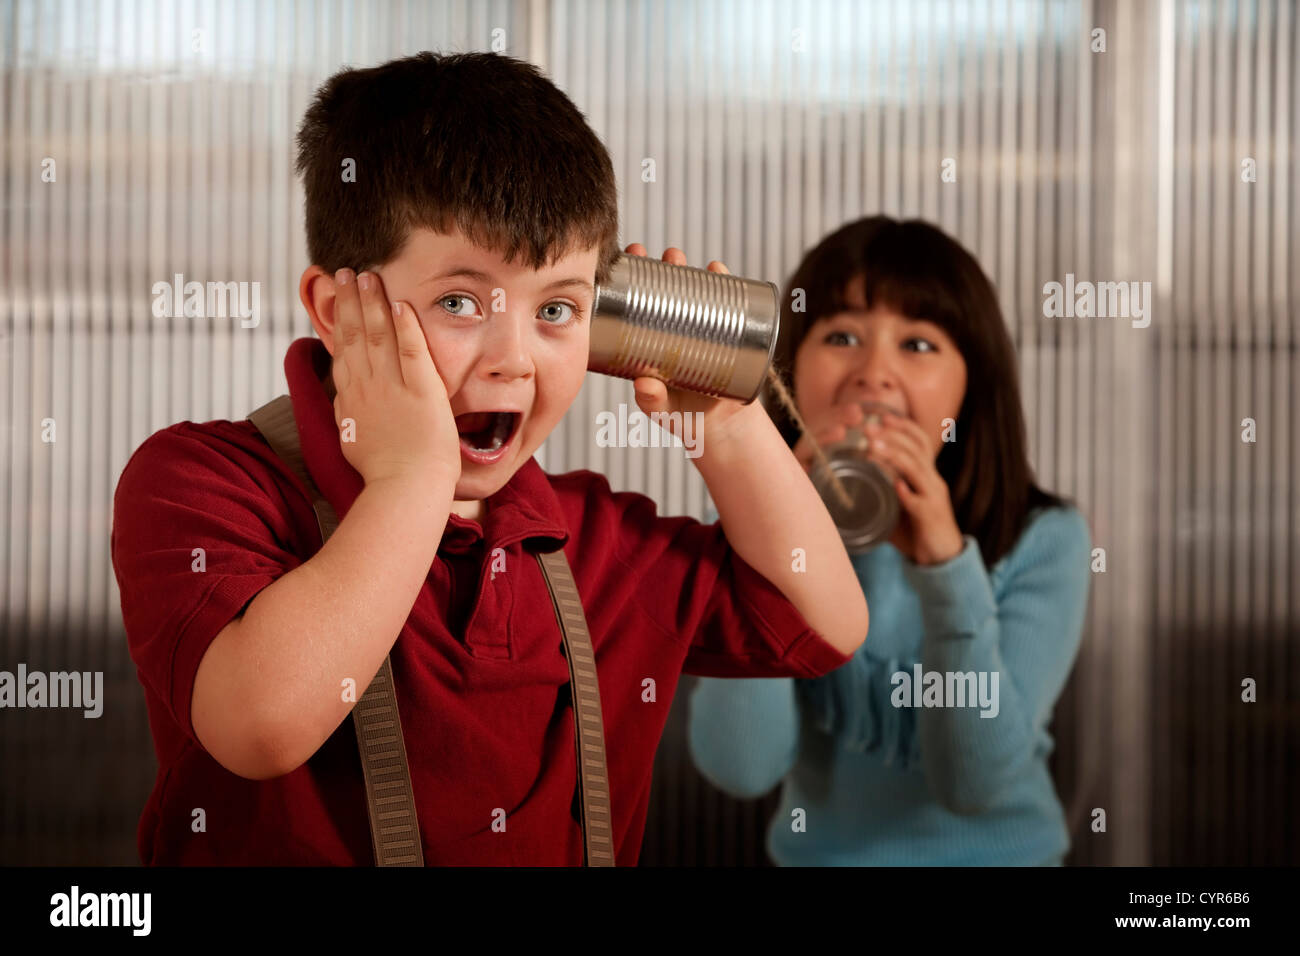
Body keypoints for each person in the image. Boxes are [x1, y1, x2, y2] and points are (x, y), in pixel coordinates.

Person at [110, 52, 867, 865]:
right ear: (338, 312)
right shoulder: (203, 483)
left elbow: (821, 624)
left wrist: (726, 421)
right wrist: (410, 480)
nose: (515, 360)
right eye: (460, 302)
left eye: (558, 309)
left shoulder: (591, 541)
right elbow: (262, 724)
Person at [688, 216, 1092, 866]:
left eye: (920, 345)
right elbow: (741, 766)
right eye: (842, 336)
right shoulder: (753, 530)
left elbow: (975, 785)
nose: (874, 374)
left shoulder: (1045, 539)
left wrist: (945, 565)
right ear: (788, 371)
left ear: (971, 387)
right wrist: (769, 531)